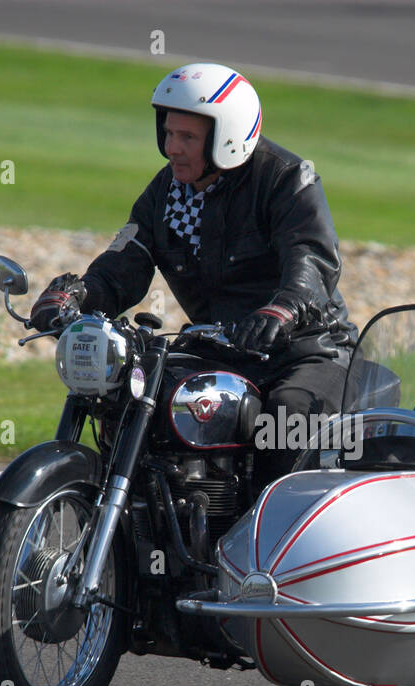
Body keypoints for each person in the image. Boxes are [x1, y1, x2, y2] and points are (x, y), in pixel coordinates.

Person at [30, 62, 355, 483]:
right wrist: (79, 296)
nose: (173, 148)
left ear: (228, 139)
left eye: (187, 137)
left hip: (305, 350)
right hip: (221, 346)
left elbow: (311, 257)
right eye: (168, 133)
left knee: (287, 419)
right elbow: (123, 264)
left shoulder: (285, 179)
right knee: (136, 395)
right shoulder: (167, 192)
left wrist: (283, 310)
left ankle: (269, 537)